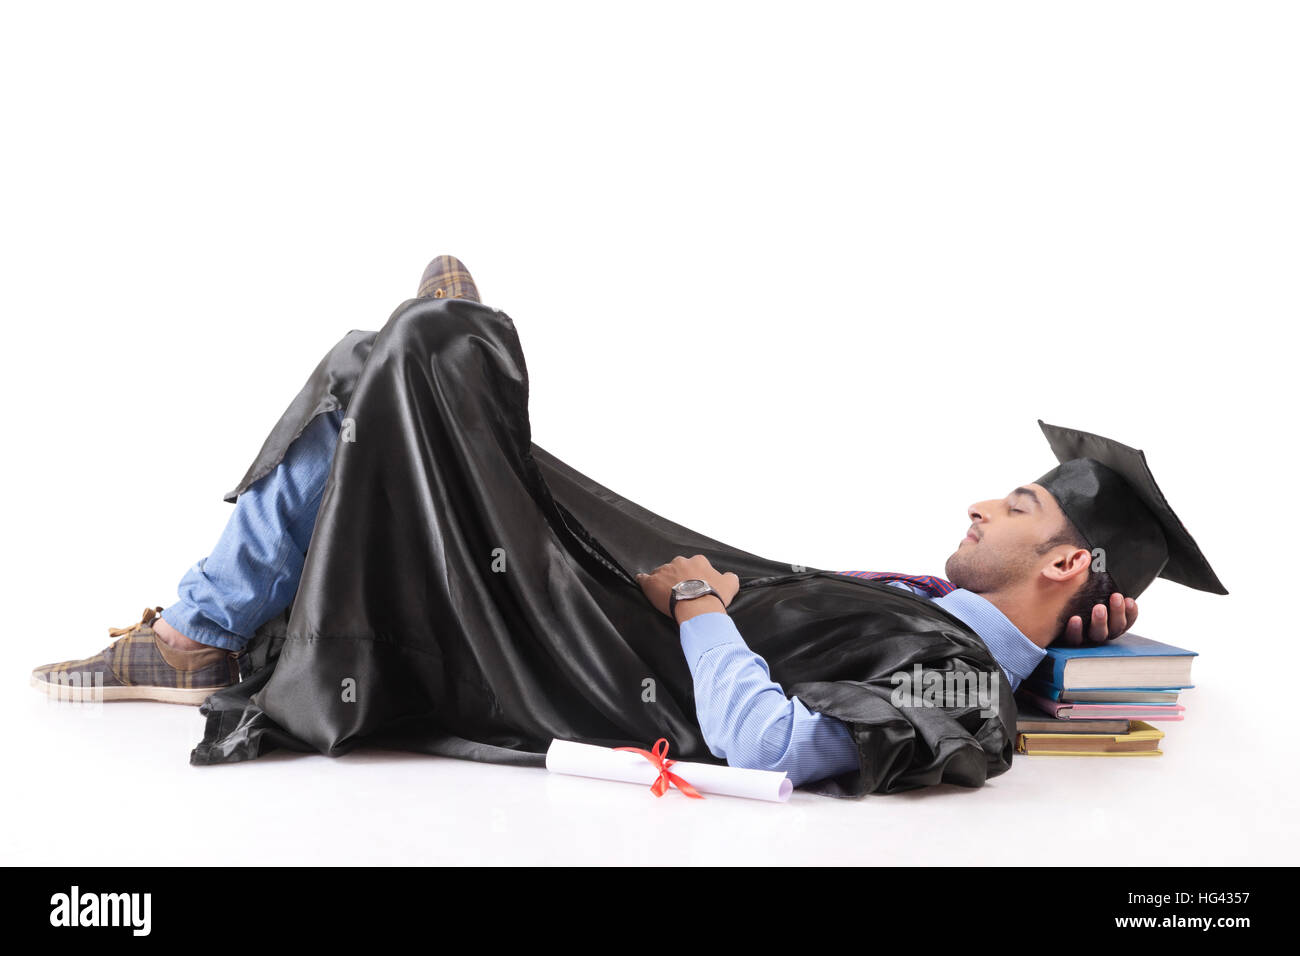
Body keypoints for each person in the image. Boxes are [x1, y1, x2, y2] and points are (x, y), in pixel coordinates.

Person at [31, 255, 1223, 791]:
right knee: (377, 369)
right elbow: (998, 645)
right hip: (608, 603)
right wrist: (1073, 647)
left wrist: (702, 603)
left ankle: (445, 371)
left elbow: (775, 746)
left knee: (420, 358)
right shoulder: (951, 619)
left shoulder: (960, 675)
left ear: (1063, 554)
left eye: (1011, 505)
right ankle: (197, 626)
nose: (976, 500)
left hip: (599, 657)